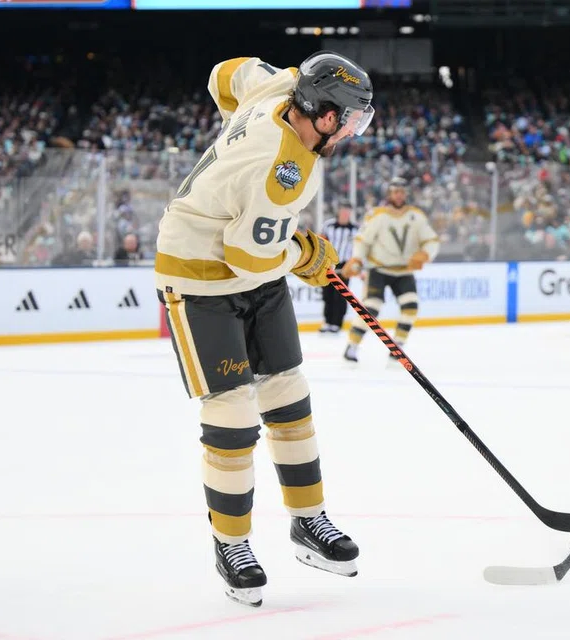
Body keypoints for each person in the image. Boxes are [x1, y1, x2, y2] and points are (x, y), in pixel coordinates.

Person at [153, 51, 375, 607]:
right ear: (323, 114)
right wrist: (304, 255)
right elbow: (248, 257)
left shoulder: (281, 86)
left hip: (251, 258)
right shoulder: (283, 166)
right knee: (231, 412)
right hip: (201, 275)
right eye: (348, 120)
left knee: (288, 393)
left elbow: (223, 71)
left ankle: (308, 520)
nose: (350, 132)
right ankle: (231, 545)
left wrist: (234, 129)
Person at [341, 177, 440, 362]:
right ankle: (353, 344)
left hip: (404, 271)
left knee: (411, 306)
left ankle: (398, 346)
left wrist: (426, 254)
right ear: (389, 194)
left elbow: (431, 240)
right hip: (379, 268)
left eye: (402, 191)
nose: (399, 195)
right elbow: (363, 240)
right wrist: (356, 259)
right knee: (372, 307)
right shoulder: (378, 215)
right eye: (395, 191)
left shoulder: (416, 216)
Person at [319, 200, 359, 333]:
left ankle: (337, 323)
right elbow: (321, 243)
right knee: (327, 294)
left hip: (345, 265)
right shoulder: (328, 225)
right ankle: (327, 321)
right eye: (343, 210)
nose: (345, 213)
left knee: (341, 295)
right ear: (339, 211)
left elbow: (358, 249)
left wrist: (355, 264)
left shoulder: (355, 229)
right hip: (328, 264)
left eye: (348, 211)